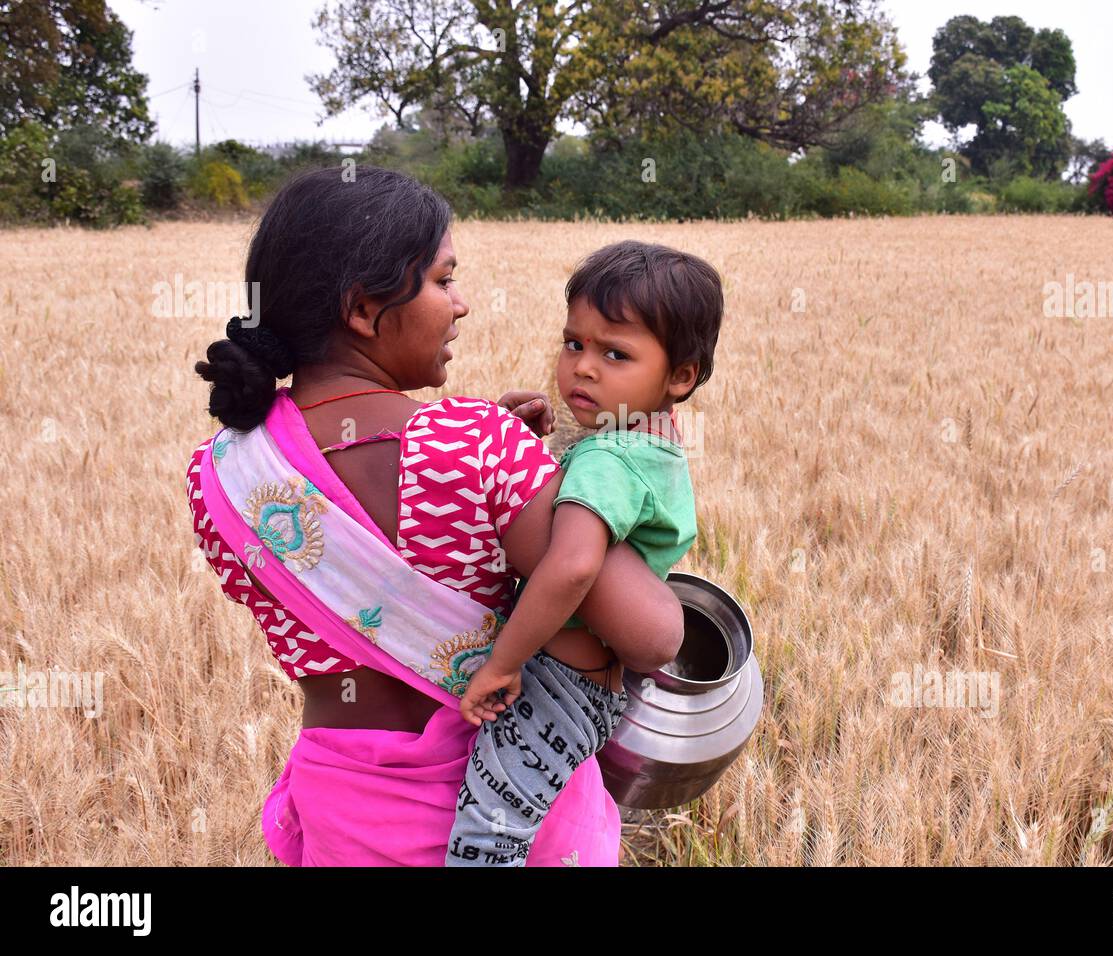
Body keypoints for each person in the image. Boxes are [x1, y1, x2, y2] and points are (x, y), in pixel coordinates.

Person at [185, 165, 684, 867]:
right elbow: (653, 633)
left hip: (347, 819)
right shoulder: (477, 446)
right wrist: (591, 475)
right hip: (506, 813)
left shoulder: (218, 479)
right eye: (444, 279)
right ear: (362, 310)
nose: (462, 304)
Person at [445, 241, 724, 866]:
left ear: (680, 377)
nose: (584, 368)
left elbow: (572, 566)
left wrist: (500, 666)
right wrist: (549, 442)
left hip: (555, 687)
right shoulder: (647, 441)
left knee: (487, 836)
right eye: (575, 344)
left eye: (615, 353)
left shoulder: (606, 458)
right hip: (592, 689)